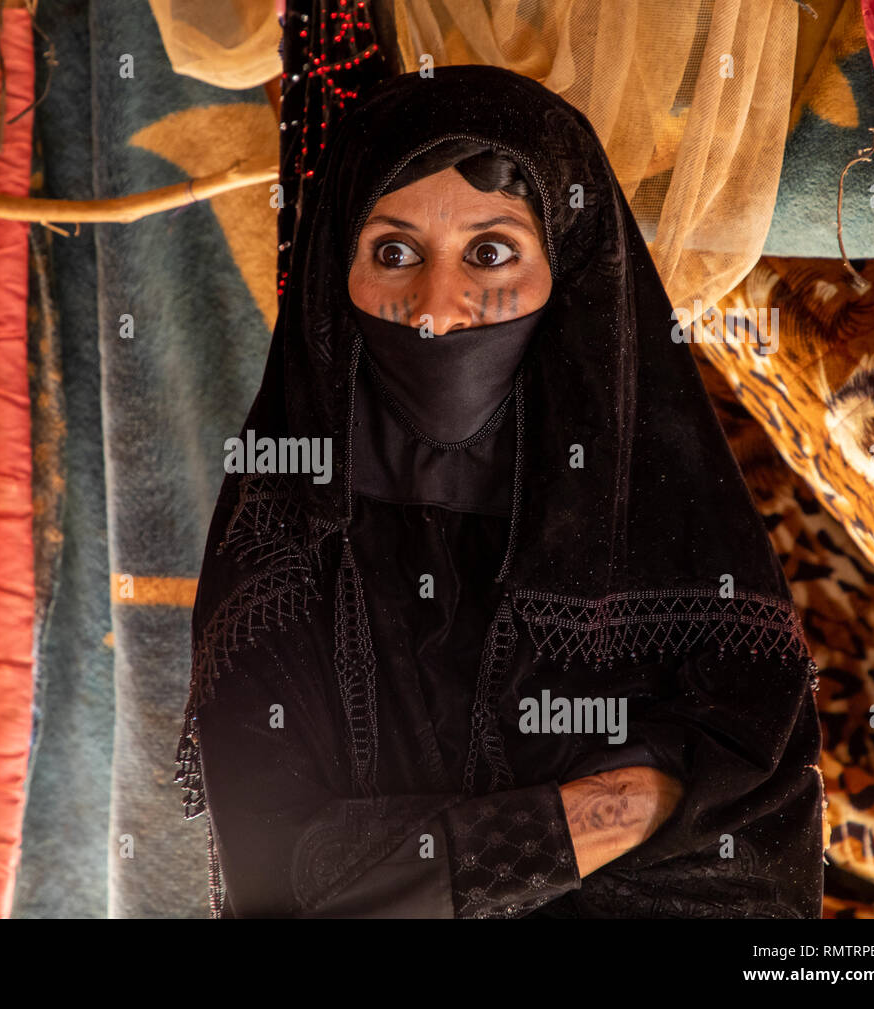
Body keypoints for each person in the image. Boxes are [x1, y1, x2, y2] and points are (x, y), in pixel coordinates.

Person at [174, 64, 825, 918]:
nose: (437, 309)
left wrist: (416, 867)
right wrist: (622, 809)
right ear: (337, 271)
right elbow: (285, 878)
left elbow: (755, 878)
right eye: (394, 252)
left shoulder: (674, 540)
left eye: (490, 252)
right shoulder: (281, 541)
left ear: (574, 268)